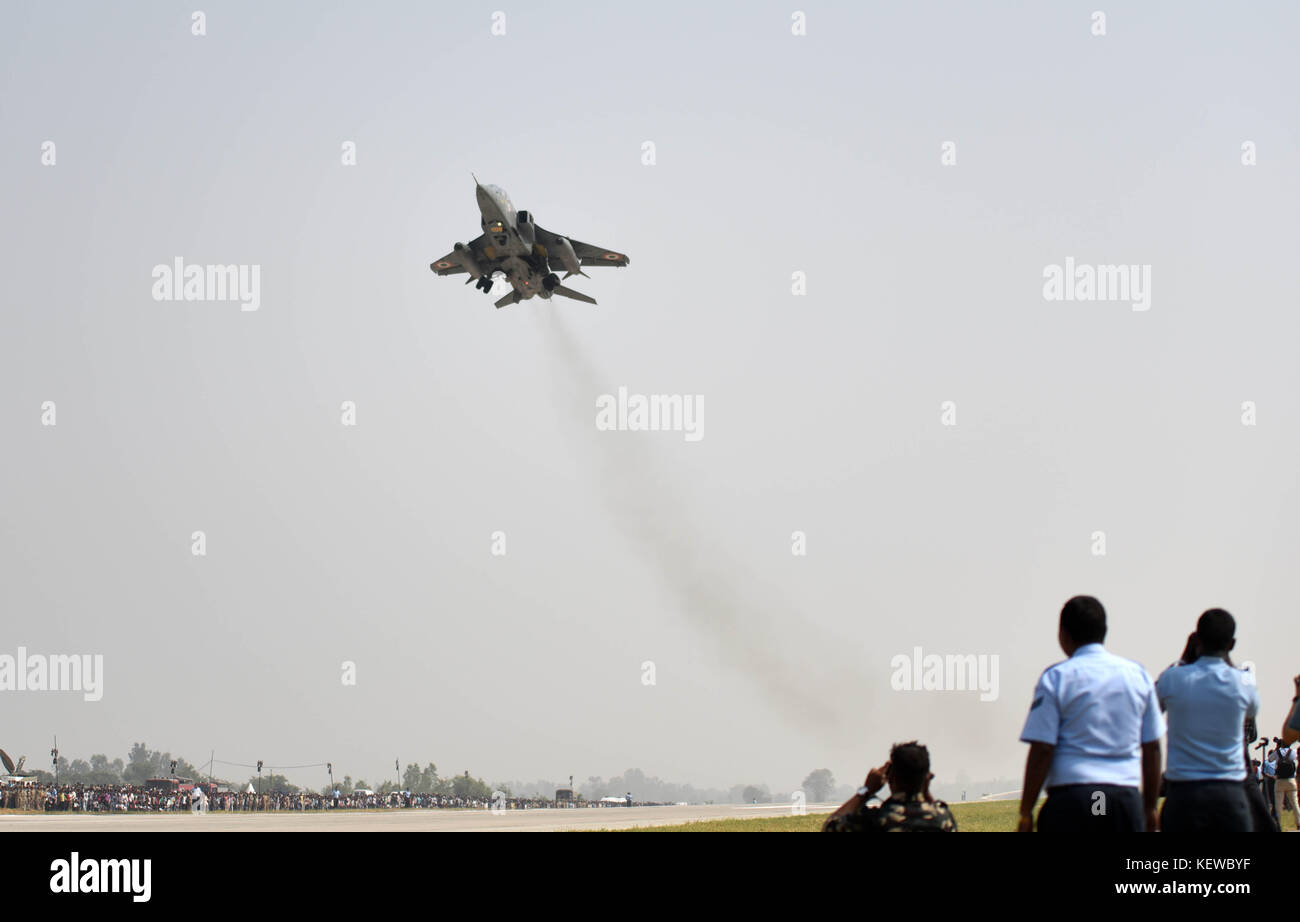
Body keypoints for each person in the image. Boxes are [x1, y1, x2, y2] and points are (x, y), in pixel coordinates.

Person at [1018, 596, 1164, 832]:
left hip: (1072, 799)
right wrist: (1149, 808)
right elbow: (1153, 747)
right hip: (1122, 798)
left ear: (1063, 634)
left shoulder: (1056, 677)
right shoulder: (1137, 675)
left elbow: (1043, 749)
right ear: (1104, 631)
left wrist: (1026, 811)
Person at [1154, 610, 1259, 832]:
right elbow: (1251, 711)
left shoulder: (1172, 679)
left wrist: (1184, 659)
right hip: (1229, 793)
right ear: (1231, 644)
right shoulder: (1244, 682)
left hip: (1183, 794)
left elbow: (1152, 706)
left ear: (1196, 640)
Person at [821, 741, 956, 832]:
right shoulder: (943, 820)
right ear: (927, 778)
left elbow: (830, 826)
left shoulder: (873, 820)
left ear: (891, 778)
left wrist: (866, 790)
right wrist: (925, 790)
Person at [1274, 744, 1299, 830]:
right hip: (1291, 780)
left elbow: (1270, 759)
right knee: (1295, 803)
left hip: (1280, 780)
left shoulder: (1277, 752)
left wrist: (1276, 749)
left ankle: (1278, 824)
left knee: (1278, 804)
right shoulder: (1293, 752)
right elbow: (1297, 758)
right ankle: (1299, 823)